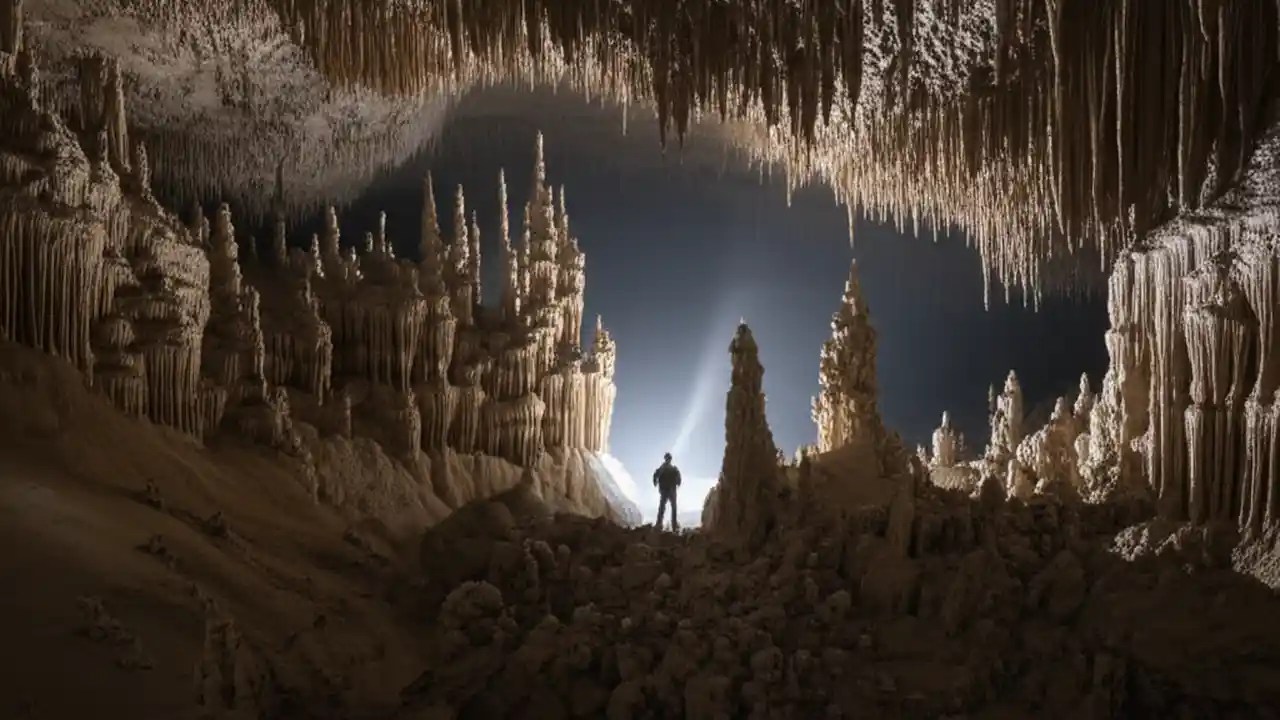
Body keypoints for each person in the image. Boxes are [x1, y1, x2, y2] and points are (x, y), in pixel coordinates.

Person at [653, 452, 682, 531]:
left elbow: (655, 475)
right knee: (672, 507)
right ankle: (673, 525)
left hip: (666, 490)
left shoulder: (663, 468)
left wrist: (655, 482)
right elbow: (678, 478)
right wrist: (678, 483)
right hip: (671, 490)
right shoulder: (672, 468)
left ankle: (660, 524)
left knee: (663, 507)